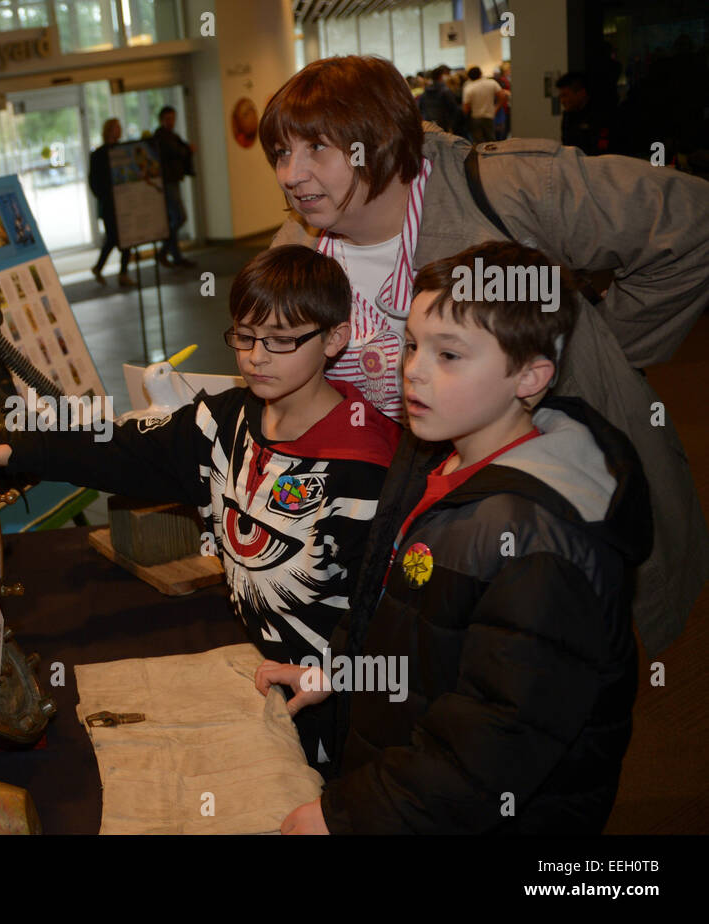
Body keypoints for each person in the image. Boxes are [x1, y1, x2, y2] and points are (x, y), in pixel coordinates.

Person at [261, 53, 709, 657]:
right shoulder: (297, 249)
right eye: (281, 154)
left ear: (380, 139)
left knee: (556, 684)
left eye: (316, 148)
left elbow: (690, 223)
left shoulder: (507, 190)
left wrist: (604, 344)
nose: (291, 174)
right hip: (420, 522)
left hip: (550, 513)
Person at [0, 245, 400, 766]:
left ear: (335, 338)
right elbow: (122, 449)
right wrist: (10, 453)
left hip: (331, 709)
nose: (256, 357)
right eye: (244, 336)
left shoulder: (364, 467)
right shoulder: (222, 422)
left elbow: (386, 617)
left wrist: (337, 674)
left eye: (280, 340)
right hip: (258, 680)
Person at [268, 242, 650, 834]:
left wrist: (351, 816)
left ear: (530, 376)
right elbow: (398, 609)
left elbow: (494, 742)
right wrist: (342, 672)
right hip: (403, 768)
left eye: (450, 355)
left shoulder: (540, 546)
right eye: (414, 344)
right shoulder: (432, 460)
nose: (413, 369)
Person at [88, 118, 134, 286]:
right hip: (109, 204)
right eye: (115, 127)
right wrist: (104, 195)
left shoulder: (124, 150)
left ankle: (120, 272)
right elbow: (94, 181)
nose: (118, 130)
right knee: (113, 237)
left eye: (119, 127)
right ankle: (101, 268)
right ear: (108, 130)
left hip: (124, 200)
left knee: (127, 237)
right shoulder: (98, 154)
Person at [152, 105, 197, 268]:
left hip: (172, 181)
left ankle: (171, 254)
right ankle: (166, 251)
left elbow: (181, 150)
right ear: (162, 120)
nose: (171, 122)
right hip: (167, 182)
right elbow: (177, 152)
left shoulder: (171, 136)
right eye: (168, 119)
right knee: (179, 217)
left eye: (173, 118)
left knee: (176, 218)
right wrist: (187, 150)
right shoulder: (162, 137)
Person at [556, 72, 611, 155]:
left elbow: (602, 149)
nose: (562, 101)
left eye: (565, 95)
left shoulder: (600, 115)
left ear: (581, 93)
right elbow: (566, 146)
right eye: (560, 96)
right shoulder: (567, 116)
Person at [461, 66, 504, 144]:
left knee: (479, 143)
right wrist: (496, 108)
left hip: (475, 117)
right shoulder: (491, 83)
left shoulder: (468, 88)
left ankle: (481, 156)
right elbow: (502, 96)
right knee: (491, 140)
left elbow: (465, 108)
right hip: (489, 116)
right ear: (481, 73)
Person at [417, 66, 461, 134]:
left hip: (429, 124)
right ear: (441, 76)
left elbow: (420, 108)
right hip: (444, 124)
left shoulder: (425, 92)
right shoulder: (445, 91)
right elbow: (454, 108)